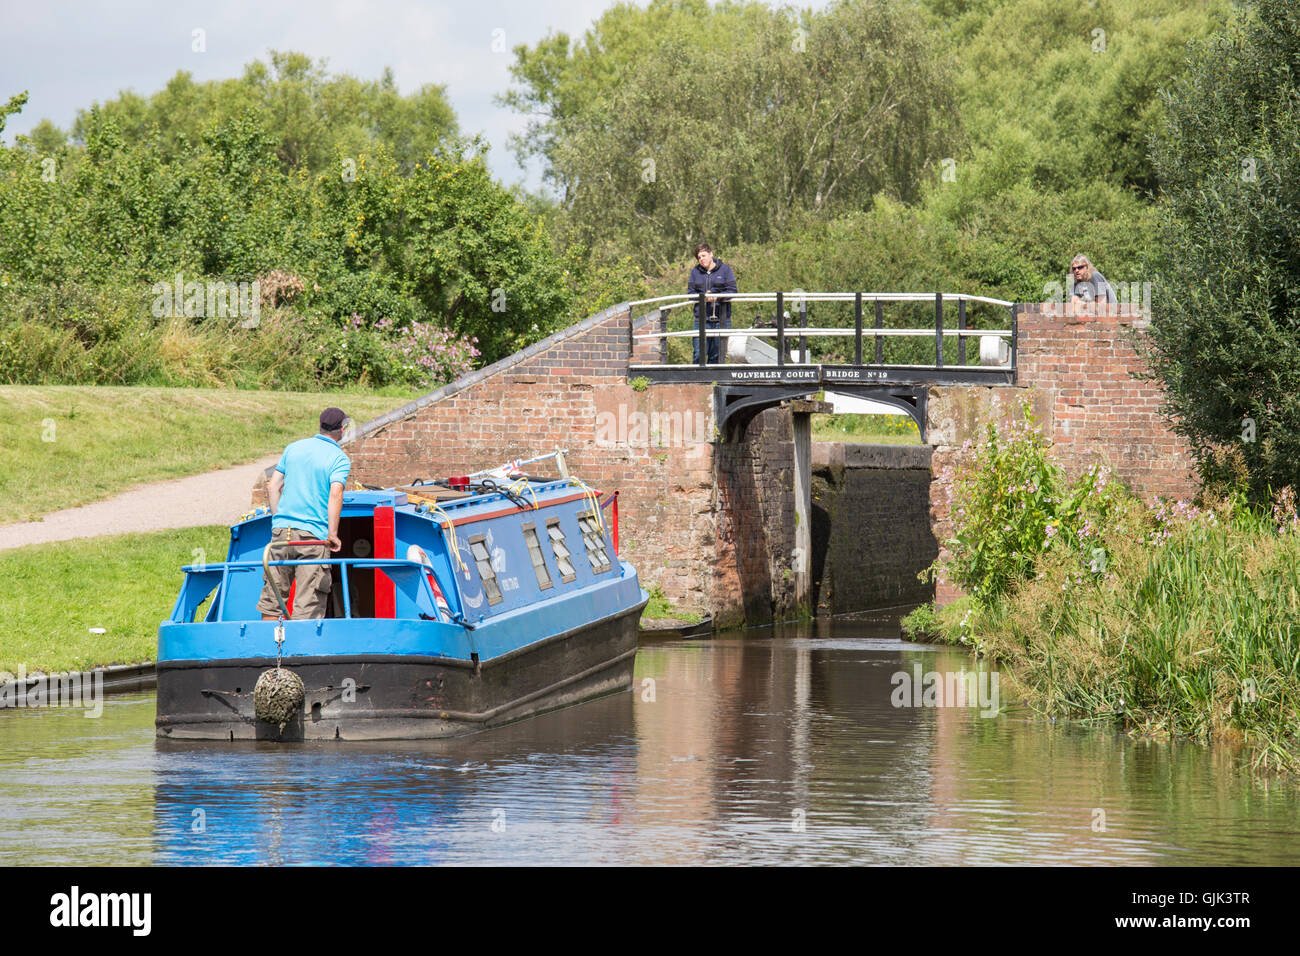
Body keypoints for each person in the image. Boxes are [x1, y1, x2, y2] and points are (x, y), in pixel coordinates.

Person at [258, 407, 351, 620]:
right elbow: (336, 493)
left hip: (281, 535)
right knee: (308, 603)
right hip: (312, 538)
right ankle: (301, 651)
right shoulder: (339, 458)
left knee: (272, 601)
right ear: (342, 429)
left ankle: (268, 650)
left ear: (319, 425)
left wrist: (278, 521)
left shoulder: (294, 448)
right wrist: (333, 534)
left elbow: (273, 487)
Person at [687, 242, 738, 364]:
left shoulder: (725, 270)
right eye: (699, 257)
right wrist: (704, 297)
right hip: (702, 320)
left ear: (711, 254)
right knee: (699, 353)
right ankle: (698, 381)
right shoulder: (695, 272)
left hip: (722, 319)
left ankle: (714, 382)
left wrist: (717, 297)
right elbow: (690, 294)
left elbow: (733, 291)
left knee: (717, 355)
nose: (701, 259)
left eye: (704, 256)